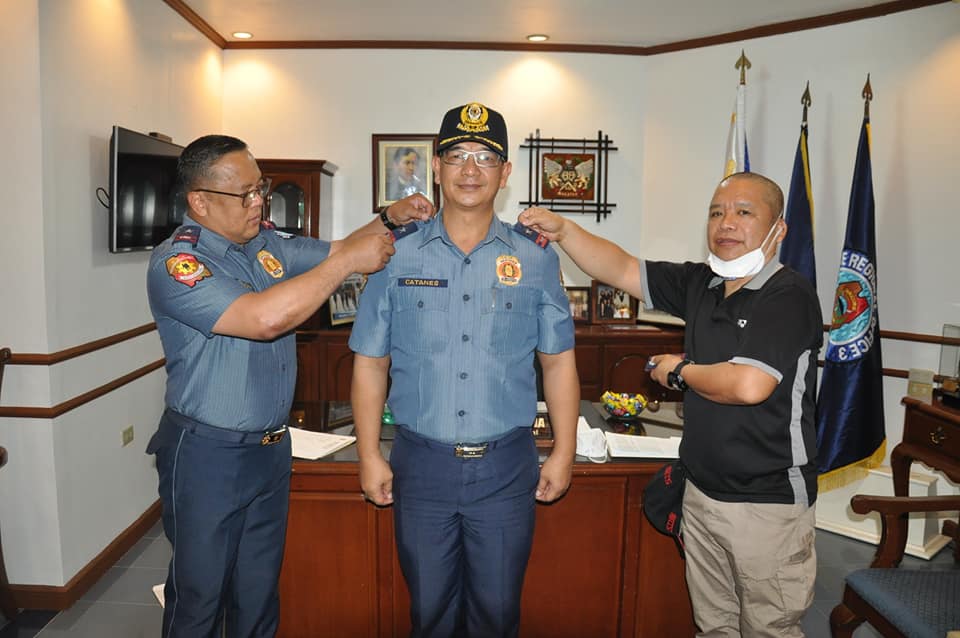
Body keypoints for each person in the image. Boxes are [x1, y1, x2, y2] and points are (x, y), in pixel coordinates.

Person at [145, 134, 434, 638]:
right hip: (207, 455)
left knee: (258, 593)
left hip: (270, 451)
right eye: (246, 194)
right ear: (200, 201)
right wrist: (344, 265)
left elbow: (344, 248)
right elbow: (263, 319)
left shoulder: (265, 246)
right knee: (200, 597)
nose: (260, 202)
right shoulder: (178, 264)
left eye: (262, 189)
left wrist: (390, 219)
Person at [519, 171, 822, 637]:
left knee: (769, 629)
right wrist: (564, 231)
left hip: (766, 505)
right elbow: (620, 269)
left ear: (777, 229)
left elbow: (748, 385)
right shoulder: (702, 283)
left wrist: (678, 371)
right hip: (701, 493)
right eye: (717, 212)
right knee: (714, 625)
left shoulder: (789, 295)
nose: (726, 223)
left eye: (744, 213)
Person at [350, 102, 580, 638]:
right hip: (421, 466)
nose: (470, 170)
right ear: (435, 166)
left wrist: (564, 450)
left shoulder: (537, 258)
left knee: (497, 615)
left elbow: (558, 360)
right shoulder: (395, 255)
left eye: (485, 157)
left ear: (505, 173)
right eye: (457, 155)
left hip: (505, 469)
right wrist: (367, 454)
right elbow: (369, 361)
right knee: (428, 613)